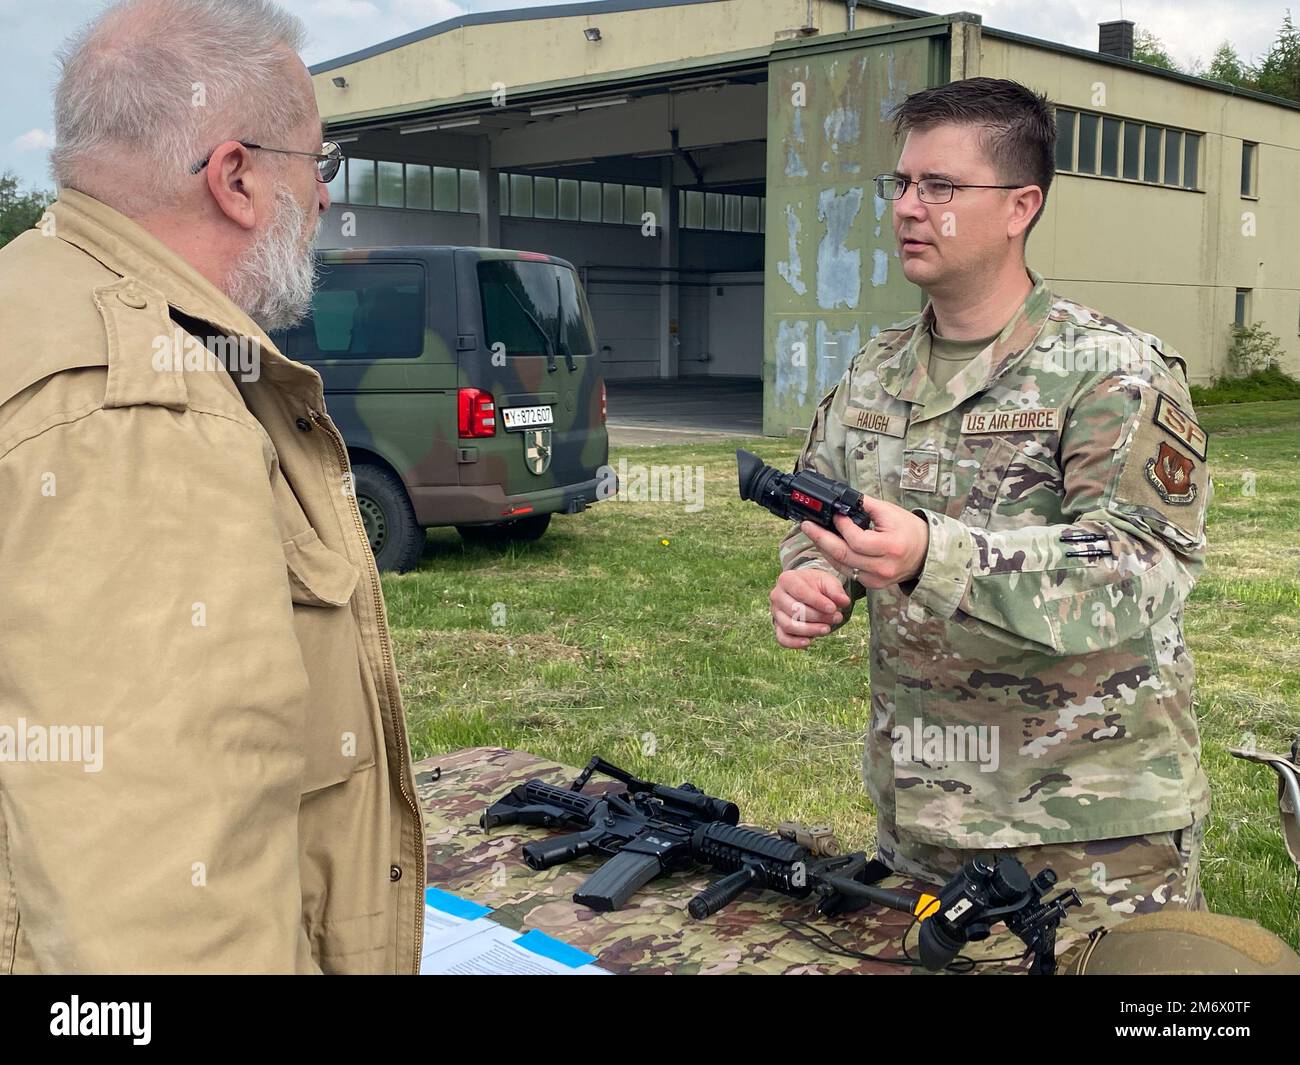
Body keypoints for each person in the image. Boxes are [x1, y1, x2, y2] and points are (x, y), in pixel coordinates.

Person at [0, 0, 423, 973]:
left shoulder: (31, 299)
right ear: (235, 176)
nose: (322, 198)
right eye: (317, 161)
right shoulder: (139, 414)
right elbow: (161, 931)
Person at [771, 77, 1212, 944]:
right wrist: (814, 577)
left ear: (1020, 207)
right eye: (900, 183)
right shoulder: (876, 371)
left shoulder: (1110, 370)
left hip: (1085, 838)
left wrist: (933, 553)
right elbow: (814, 506)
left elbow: (1141, 568)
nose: (907, 207)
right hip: (924, 813)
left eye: (940, 186)